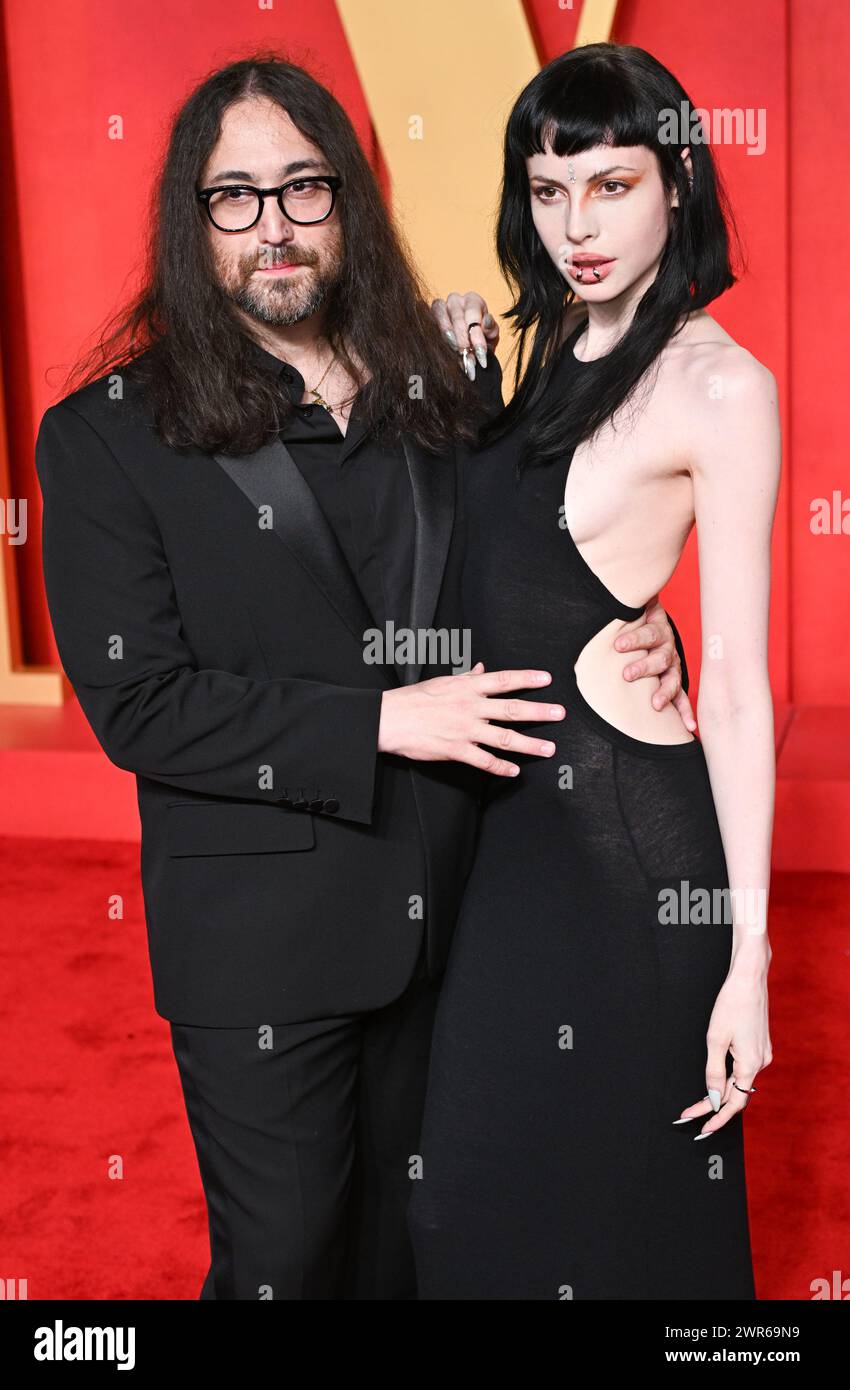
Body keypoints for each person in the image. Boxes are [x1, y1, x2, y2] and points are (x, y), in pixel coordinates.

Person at [35, 54, 688, 1300]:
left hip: (455, 915)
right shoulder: (107, 433)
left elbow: (520, 576)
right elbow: (140, 704)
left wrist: (628, 628)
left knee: (416, 1257)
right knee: (284, 1262)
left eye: (302, 187)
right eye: (235, 196)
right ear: (195, 217)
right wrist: (385, 720)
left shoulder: (432, 391)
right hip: (259, 949)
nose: (273, 224)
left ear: (348, 201)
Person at [407, 43, 777, 1299]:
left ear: (676, 179)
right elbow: (493, 553)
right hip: (507, 838)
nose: (576, 224)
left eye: (609, 186)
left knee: (626, 1218)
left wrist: (749, 966)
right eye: (549, 189)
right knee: (469, 1200)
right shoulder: (543, 342)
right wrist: (459, 358)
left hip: (624, 856)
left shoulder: (722, 388)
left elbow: (730, 687)